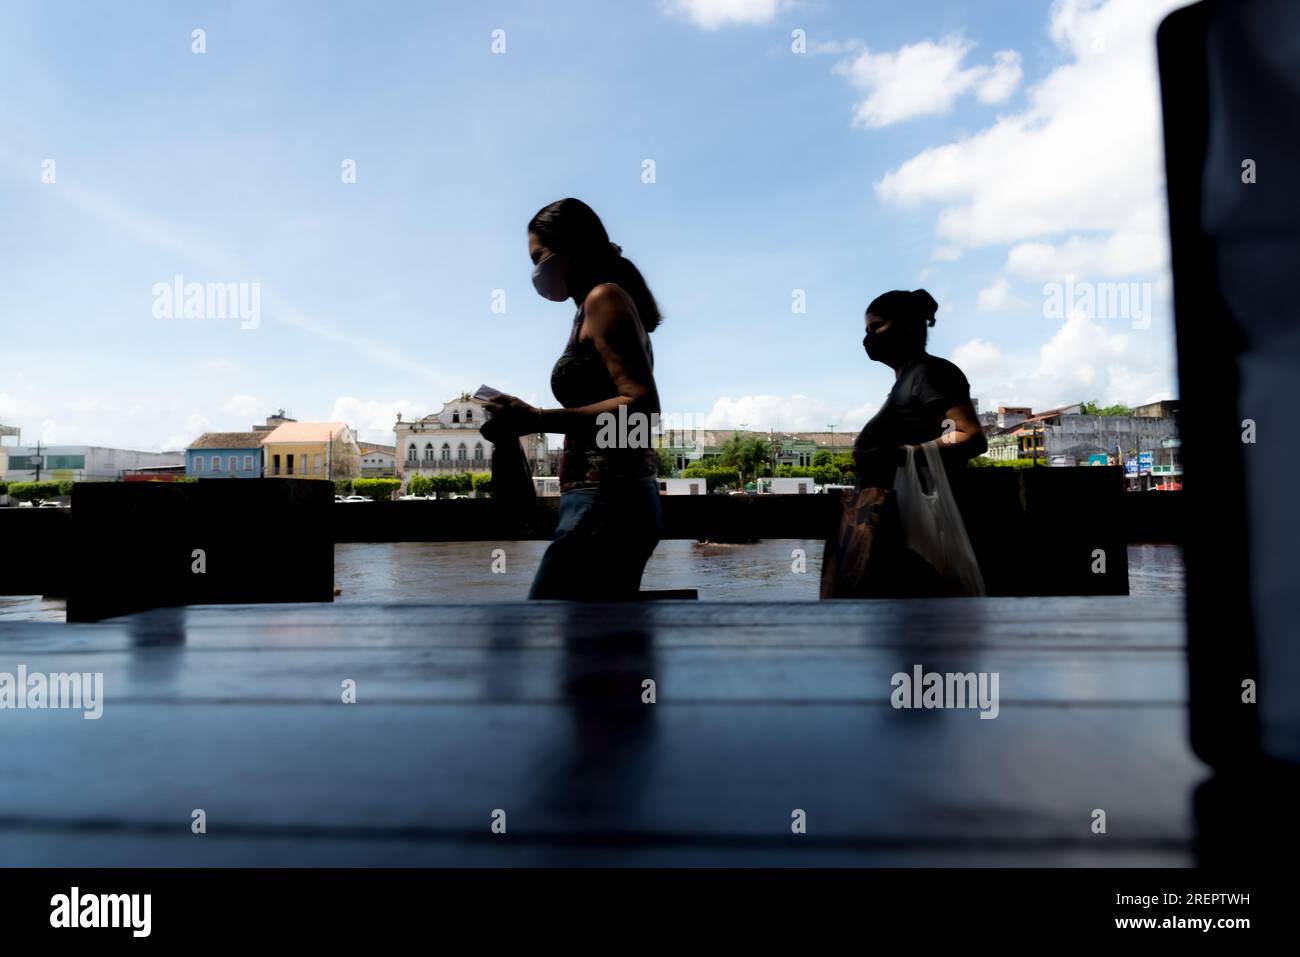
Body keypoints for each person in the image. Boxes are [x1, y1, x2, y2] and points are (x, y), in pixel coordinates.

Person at [484, 198, 664, 600]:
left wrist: (537, 418)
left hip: (608, 503)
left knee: (556, 623)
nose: (535, 270)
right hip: (603, 501)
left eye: (539, 256)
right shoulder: (591, 308)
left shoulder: (605, 299)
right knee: (595, 649)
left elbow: (642, 408)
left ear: (572, 248)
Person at [853, 289, 986, 487]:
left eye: (877, 326)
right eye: (867, 331)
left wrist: (909, 454)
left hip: (915, 508)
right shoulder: (909, 380)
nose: (869, 338)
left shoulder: (931, 373)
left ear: (906, 325)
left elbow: (968, 436)